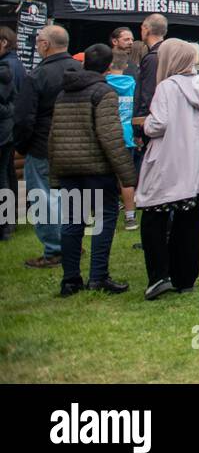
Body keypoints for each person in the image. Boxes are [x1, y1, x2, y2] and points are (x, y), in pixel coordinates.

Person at [136, 38, 199, 299]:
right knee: (189, 220)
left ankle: (159, 275)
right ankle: (186, 275)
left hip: (169, 159)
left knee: (154, 217)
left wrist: (145, 125)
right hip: (198, 162)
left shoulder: (167, 87)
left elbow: (159, 124)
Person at [47, 43, 137, 296]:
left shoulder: (64, 93)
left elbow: (54, 136)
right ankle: (98, 276)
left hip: (68, 168)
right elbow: (110, 136)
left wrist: (55, 172)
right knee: (104, 219)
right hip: (96, 168)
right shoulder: (103, 92)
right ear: (109, 67)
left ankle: (70, 279)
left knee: (72, 223)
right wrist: (127, 175)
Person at [13, 25, 82, 268]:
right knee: (72, 196)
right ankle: (73, 242)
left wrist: (22, 145)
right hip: (78, 143)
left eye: (39, 41)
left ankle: (55, 250)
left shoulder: (38, 76)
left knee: (43, 197)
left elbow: (23, 117)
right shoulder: (81, 70)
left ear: (45, 45)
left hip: (44, 145)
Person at [106, 50, 139, 231]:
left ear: (108, 65)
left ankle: (100, 214)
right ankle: (130, 217)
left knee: (102, 177)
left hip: (107, 137)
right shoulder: (133, 84)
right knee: (126, 179)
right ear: (126, 66)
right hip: (127, 136)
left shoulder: (103, 84)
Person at [0, 26, 22, 242]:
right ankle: (9, 220)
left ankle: (6, 223)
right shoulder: (12, 64)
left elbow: (10, 101)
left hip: (5, 129)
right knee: (6, 174)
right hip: (8, 129)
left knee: (3, 177)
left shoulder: (8, 66)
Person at [132, 13, 168, 132]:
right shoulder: (169, 53)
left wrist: (139, 127)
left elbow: (148, 94)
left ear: (146, 29)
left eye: (142, 27)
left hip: (152, 122)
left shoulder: (154, 57)